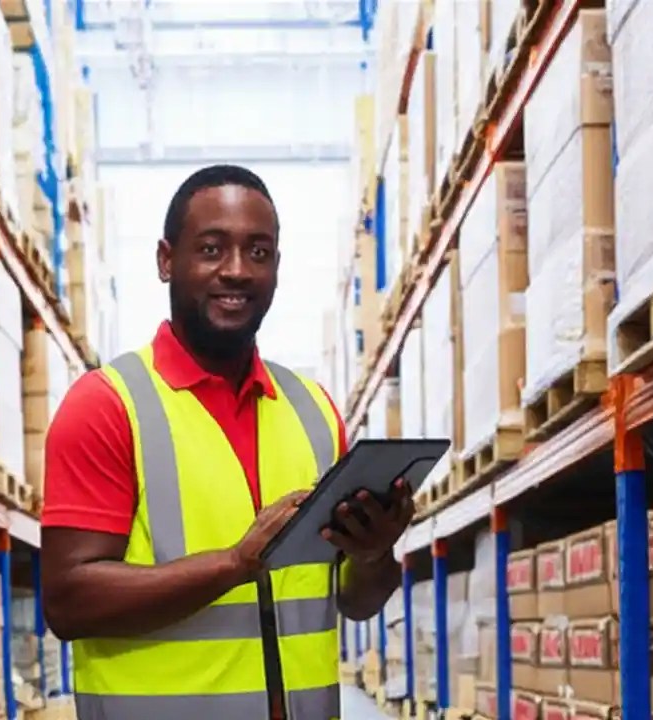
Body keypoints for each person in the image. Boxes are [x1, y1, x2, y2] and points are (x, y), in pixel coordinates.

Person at [40, 164, 415, 720]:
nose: (237, 270)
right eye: (212, 249)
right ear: (167, 261)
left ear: (277, 267)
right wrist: (234, 564)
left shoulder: (314, 413)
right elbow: (68, 602)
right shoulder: (107, 405)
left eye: (258, 252)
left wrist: (373, 553)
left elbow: (355, 603)